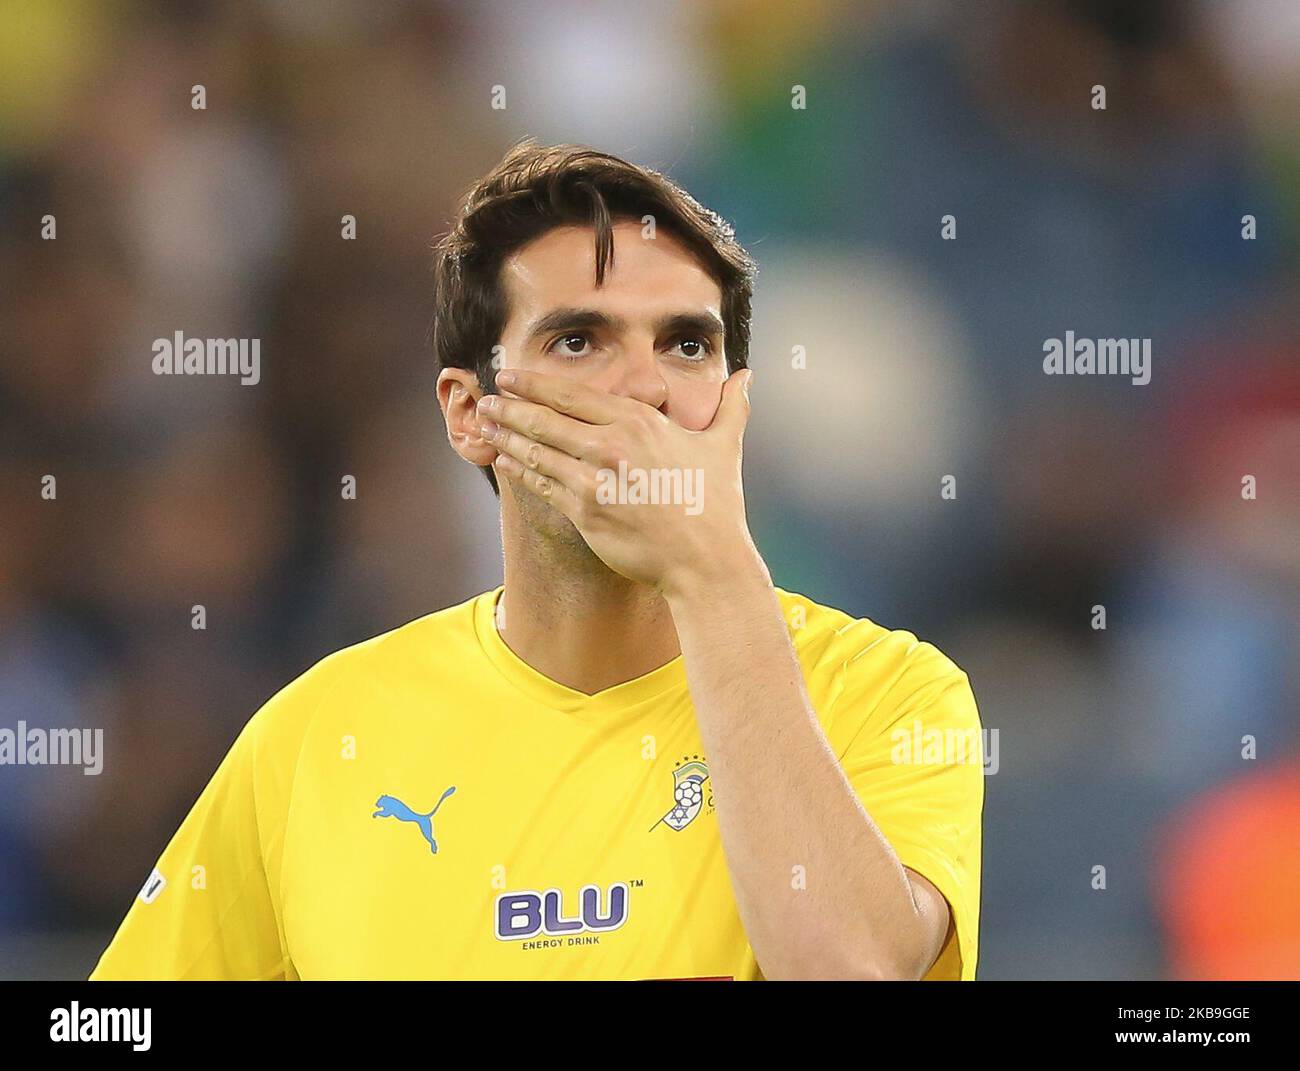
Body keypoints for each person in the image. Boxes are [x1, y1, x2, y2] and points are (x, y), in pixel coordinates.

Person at [90, 140, 983, 980]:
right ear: (471, 413)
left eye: (687, 344)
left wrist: (712, 572)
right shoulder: (318, 738)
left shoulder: (890, 695)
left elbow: (848, 967)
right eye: (578, 341)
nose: (644, 389)